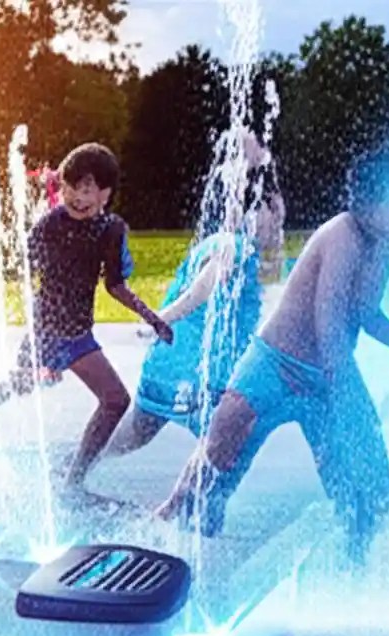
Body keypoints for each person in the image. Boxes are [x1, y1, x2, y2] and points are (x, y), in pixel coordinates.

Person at [157, 153, 389, 563]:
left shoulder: (382, 250)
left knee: (362, 473)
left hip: (327, 372)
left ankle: (355, 553)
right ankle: (170, 518)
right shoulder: (341, 234)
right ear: (367, 201)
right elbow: (327, 316)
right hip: (276, 363)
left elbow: (366, 315)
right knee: (224, 438)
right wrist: (342, 388)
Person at [0, 142, 173, 494]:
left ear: (105, 194)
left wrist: (152, 317)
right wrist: (31, 328)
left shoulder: (111, 229)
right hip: (46, 327)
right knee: (31, 382)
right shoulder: (49, 224)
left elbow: (115, 285)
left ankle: (74, 478)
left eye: (88, 189)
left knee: (115, 400)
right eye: (72, 187)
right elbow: (23, 272)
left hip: (77, 334)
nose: (78, 197)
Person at [98, 161, 285, 468]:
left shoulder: (222, 242)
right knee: (221, 447)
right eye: (273, 212)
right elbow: (201, 290)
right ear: (251, 212)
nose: (278, 221)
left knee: (136, 434)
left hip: (170, 360)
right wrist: (158, 320)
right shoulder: (237, 248)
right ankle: (177, 508)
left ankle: (75, 465)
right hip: (201, 368)